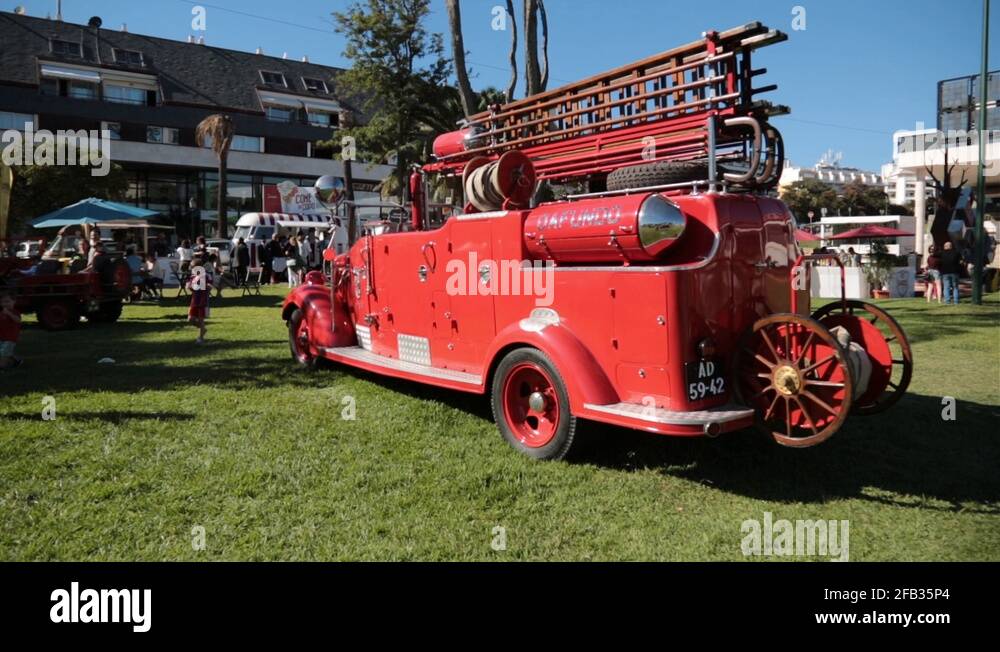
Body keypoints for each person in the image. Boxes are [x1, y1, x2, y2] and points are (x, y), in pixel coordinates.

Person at [187, 257, 214, 344]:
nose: (191, 269)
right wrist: (189, 287)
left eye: (192, 267)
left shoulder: (206, 275)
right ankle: (203, 329)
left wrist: (207, 286)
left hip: (203, 301)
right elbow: (191, 287)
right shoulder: (193, 276)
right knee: (190, 319)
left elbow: (209, 286)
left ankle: (200, 338)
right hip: (194, 300)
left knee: (201, 319)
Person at [0, 292, 22, 370]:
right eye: (3, 302)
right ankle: (16, 360)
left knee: (4, 354)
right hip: (2, 337)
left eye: (7, 301)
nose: (5, 304)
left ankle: (4, 367)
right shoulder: (1, 313)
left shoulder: (15, 312)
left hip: (10, 338)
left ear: (14, 301)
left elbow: (18, 320)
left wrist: (9, 313)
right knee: (3, 352)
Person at [938, 241, 963, 305]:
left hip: (945, 272)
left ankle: (947, 301)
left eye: (944, 246)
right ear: (951, 246)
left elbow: (938, 261)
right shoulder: (957, 253)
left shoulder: (941, 253)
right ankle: (956, 301)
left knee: (946, 287)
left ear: (945, 247)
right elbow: (961, 262)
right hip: (955, 272)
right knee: (955, 287)